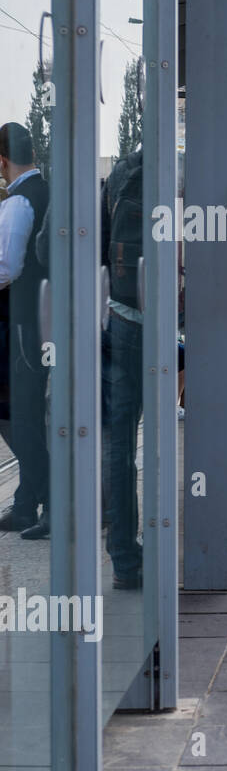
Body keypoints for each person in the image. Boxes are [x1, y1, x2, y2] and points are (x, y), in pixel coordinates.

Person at [100, 146, 148, 586]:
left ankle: (124, 559)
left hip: (123, 317)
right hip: (176, 323)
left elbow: (97, 247)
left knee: (119, 442)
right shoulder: (186, 168)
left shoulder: (119, 173)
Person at [0, 122, 50, 541]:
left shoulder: (18, 203)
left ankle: (49, 498)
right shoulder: (46, 190)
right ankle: (26, 502)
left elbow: (8, 267)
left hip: (22, 324)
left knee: (21, 416)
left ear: (2, 161)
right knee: (23, 414)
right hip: (42, 319)